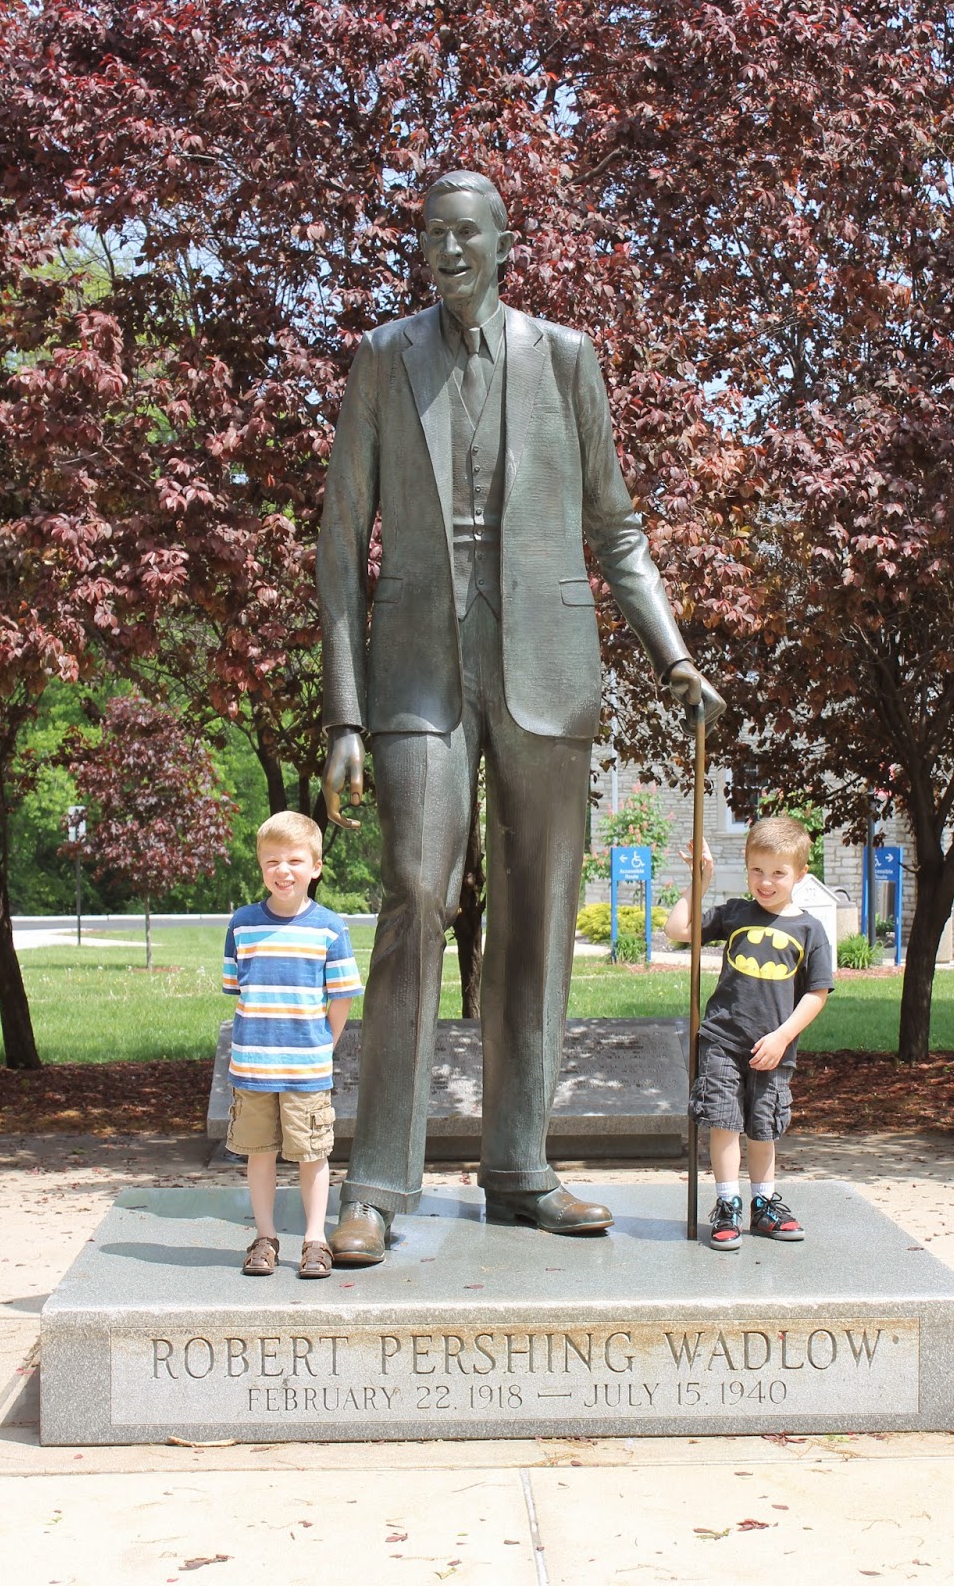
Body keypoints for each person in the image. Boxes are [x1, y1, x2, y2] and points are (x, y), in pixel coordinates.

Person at [316, 168, 723, 1265]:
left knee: (540, 915)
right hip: (417, 673)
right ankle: (377, 1184)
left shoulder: (565, 359)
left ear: (503, 242)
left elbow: (618, 528)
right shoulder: (381, 358)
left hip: (546, 664)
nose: (446, 250)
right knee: (413, 889)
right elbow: (340, 542)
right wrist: (344, 716)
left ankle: (520, 1166)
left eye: (466, 233)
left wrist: (671, 652)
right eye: (430, 233)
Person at [664, 815, 832, 1251]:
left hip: (773, 1047)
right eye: (757, 870)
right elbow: (678, 930)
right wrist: (699, 880)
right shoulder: (737, 913)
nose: (767, 881)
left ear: (800, 874)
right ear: (746, 865)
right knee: (723, 1123)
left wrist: (782, 1037)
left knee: (763, 1130)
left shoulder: (809, 930)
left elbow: (816, 994)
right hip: (722, 1040)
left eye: (779, 872)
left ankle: (764, 1205)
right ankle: (727, 1205)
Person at [222, 811, 362, 1278]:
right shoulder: (242, 925)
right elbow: (238, 992)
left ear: (316, 866)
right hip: (254, 1068)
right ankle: (264, 1238)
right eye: (272, 861)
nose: (283, 871)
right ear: (261, 867)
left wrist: (324, 1045)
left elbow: (340, 998)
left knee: (312, 1154)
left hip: (306, 1069)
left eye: (295, 860)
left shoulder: (329, 927)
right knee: (259, 1153)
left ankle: (315, 1240)